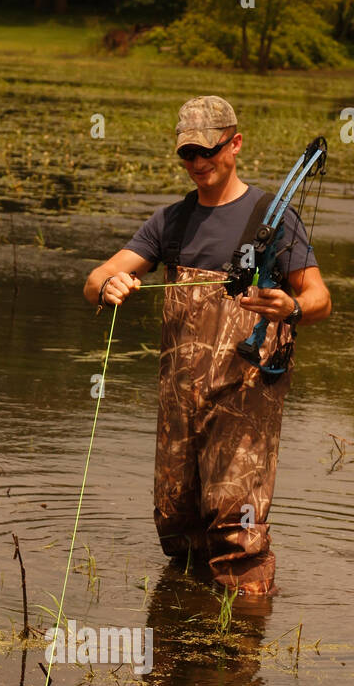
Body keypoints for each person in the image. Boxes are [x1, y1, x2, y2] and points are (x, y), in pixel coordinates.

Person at [84, 96, 331, 595]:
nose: (198, 164)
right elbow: (96, 279)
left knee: (237, 534)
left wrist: (292, 309)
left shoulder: (272, 217)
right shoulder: (170, 222)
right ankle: (184, 636)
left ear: (235, 144)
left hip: (245, 400)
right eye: (187, 155)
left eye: (208, 151)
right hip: (180, 401)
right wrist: (110, 286)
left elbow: (320, 298)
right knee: (177, 522)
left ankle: (241, 648)